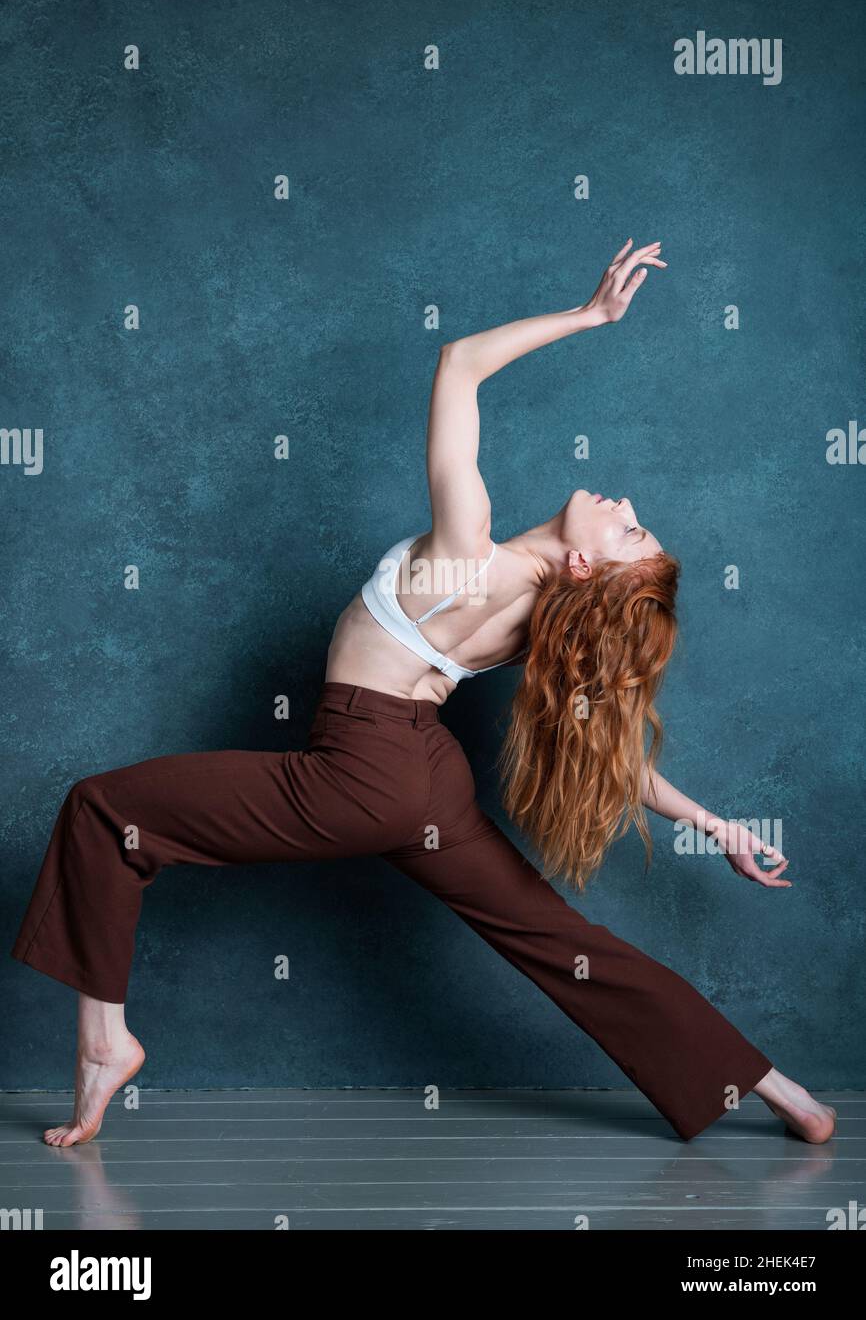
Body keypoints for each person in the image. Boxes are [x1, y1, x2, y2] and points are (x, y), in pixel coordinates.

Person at [12, 240, 835, 1148]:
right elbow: (610, 752)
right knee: (560, 942)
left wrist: (589, 315)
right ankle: (778, 1087)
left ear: (584, 563)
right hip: (423, 781)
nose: (623, 499)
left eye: (629, 528)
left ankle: (104, 1041)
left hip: (360, 771)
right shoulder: (537, 624)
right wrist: (716, 824)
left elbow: (459, 363)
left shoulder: (468, 553)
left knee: (101, 812)